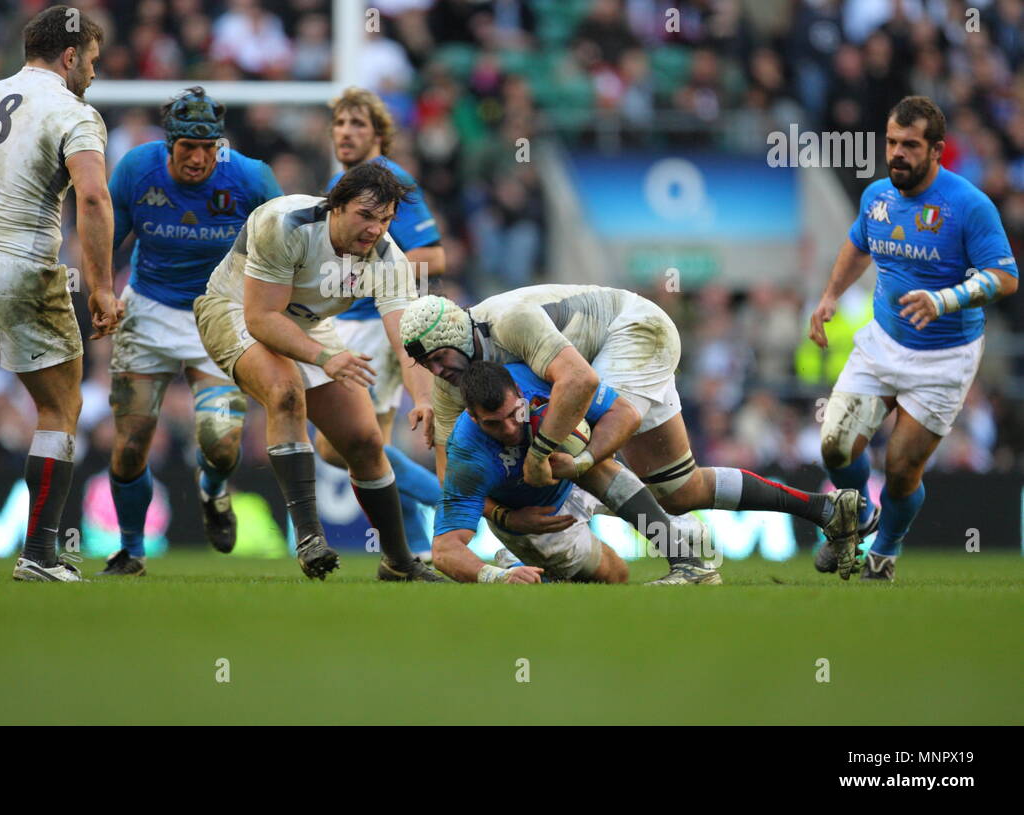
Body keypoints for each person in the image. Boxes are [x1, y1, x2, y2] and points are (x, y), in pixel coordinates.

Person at [400, 287, 863, 581]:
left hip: (633, 330)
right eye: (428, 365)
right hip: (620, 349)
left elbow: (580, 384)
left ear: (460, 334)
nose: (439, 371)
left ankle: (689, 560)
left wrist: (542, 457)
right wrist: (503, 515)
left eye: (440, 357)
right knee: (681, 489)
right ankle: (825, 509)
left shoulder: (509, 321)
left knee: (577, 446)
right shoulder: (450, 386)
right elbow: (450, 478)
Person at [0, 4, 124, 583]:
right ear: (69, 57)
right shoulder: (74, 112)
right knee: (59, 408)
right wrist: (103, 288)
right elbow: (92, 198)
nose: (93, 73)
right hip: (22, 265)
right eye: (90, 61)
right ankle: (38, 553)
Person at [193, 162, 444, 581]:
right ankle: (310, 538)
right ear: (336, 207)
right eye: (365, 216)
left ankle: (399, 562)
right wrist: (325, 358)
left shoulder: (388, 259)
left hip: (308, 323)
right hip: (235, 308)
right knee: (285, 389)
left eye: (385, 220)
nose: (375, 230)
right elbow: (261, 318)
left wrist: (421, 398)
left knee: (364, 441)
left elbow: (407, 340)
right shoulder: (285, 223)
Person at [809, 96, 1018, 581]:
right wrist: (830, 296)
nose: (897, 153)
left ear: (936, 150)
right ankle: (857, 518)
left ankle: (885, 552)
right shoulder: (877, 196)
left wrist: (943, 300)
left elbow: (1006, 278)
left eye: (909, 145)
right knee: (835, 449)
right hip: (882, 341)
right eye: (891, 142)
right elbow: (859, 244)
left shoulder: (968, 205)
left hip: (945, 357)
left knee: (901, 471)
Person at [99, 87, 282, 575]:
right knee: (131, 443)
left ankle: (213, 490)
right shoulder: (137, 170)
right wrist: (100, 291)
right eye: (187, 148)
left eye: (208, 148)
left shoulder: (251, 178)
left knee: (222, 443)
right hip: (148, 312)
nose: (199, 159)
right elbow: (104, 237)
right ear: (168, 144)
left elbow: (287, 247)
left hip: (220, 316)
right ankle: (131, 550)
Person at [315, 87, 445, 559]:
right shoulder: (342, 179)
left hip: (376, 327)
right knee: (368, 447)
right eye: (340, 124)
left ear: (378, 135)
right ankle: (417, 548)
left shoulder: (391, 180)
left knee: (338, 447)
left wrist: (377, 277)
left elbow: (433, 256)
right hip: (347, 325)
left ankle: (454, 505)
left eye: (358, 125)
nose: (346, 133)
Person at [433, 361, 632, 584]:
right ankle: (518, 562)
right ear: (472, 417)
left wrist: (584, 460)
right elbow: (444, 550)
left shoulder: (542, 378)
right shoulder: (467, 453)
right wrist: (499, 574)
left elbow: (625, 413)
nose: (509, 429)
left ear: (519, 392)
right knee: (616, 575)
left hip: (579, 475)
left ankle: (679, 559)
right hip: (538, 519)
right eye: (493, 424)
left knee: (674, 501)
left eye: (514, 414)